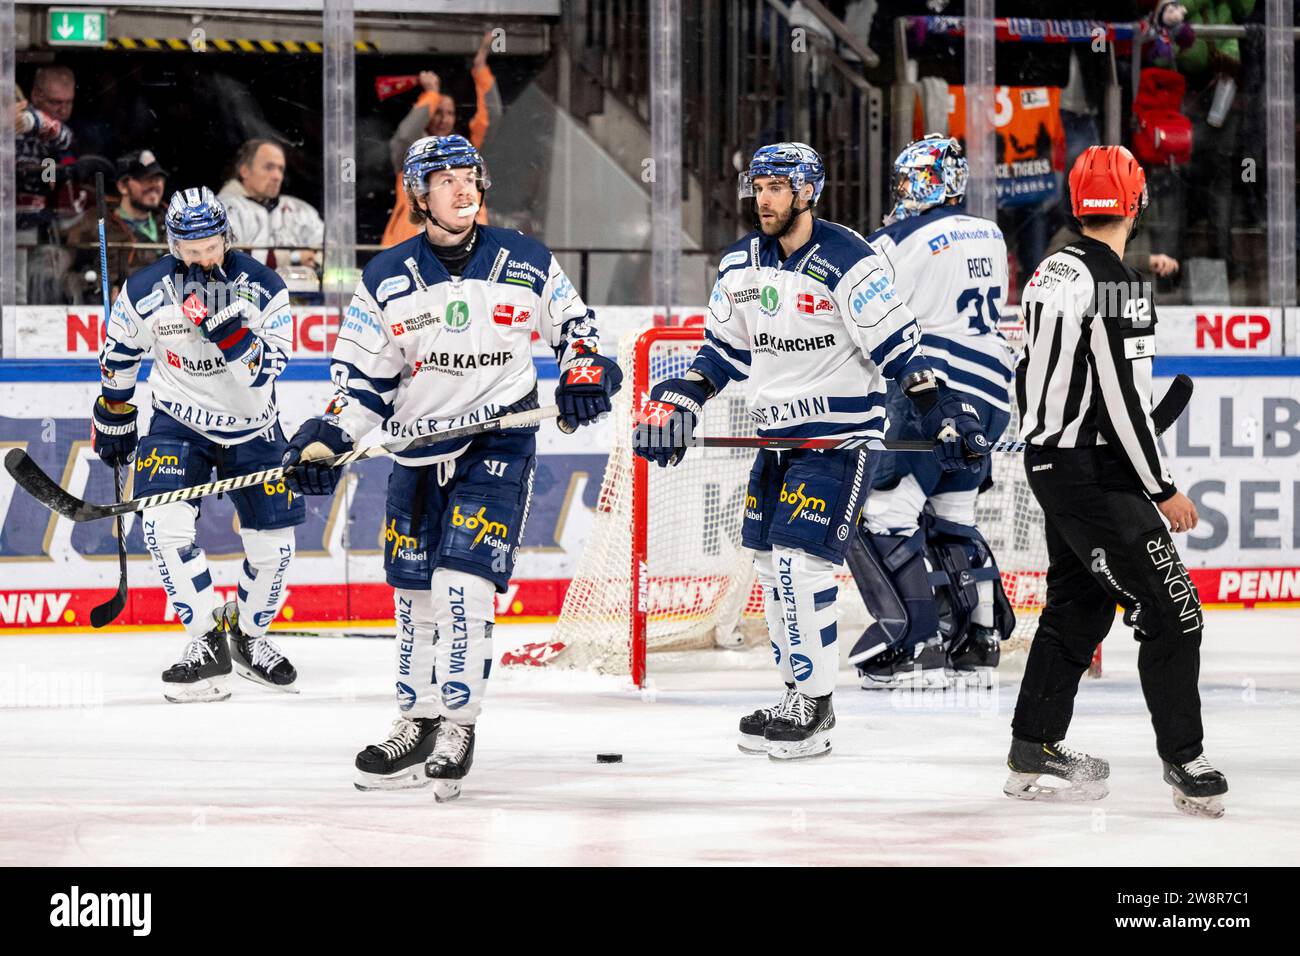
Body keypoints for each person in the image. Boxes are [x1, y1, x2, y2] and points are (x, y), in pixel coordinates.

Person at [282, 135, 621, 801]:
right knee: (414, 602)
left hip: (499, 444)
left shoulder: (525, 261)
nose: (464, 189)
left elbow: (580, 337)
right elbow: (359, 388)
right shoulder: (383, 278)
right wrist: (324, 441)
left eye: (471, 177)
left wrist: (584, 373)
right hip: (414, 452)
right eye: (446, 180)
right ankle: (416, 719)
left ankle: (458, 727)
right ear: (418, 195)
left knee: (462, 586)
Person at [633, 142, 989, 760]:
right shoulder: (739, 264)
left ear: (807, 193)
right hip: (776, 444)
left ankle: (818, 709)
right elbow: (721, 355)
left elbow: (900, 351)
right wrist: (682, 398)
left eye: (777, 187)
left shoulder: (851, 257)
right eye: (759, 187)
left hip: (837, 442)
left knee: (801, 567)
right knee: (772, 572)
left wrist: (943, 413)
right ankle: (798, 693)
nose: (763, 198)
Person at [1006, 145, 1227, 817]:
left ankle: (1034, 746)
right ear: (1135, 203)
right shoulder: (1118, 284)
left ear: (1077, 202)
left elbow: (1038, 379)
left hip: (1050, 463)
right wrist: (1162, 486)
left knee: (1080, 606)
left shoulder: (1049, 269)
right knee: (1173, 612)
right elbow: (1122, 403)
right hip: (1092, 472)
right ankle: (1184, 759)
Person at [93, 187, 305, 703]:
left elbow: (265, 372)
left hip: (254, 427)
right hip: (178, 423)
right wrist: (115, 412)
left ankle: (248, 636)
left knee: (275, 549)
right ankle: (206, 642)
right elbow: (120, 354)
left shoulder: (263, 286)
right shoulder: (145, 289)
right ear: (173, 245)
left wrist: (223, 325)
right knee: (163, 526)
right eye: (191, 250)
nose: (203, 258)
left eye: (211, 245)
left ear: (226, 237)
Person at [850, 134, 1018, 691]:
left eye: (906, 181)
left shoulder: (896, 239)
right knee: (954, 518)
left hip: (934, 392)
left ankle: (913, 640)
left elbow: (867, 314)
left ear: (926, 180)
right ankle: (979, 638)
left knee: (883, 513)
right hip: (993, 392)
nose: (901, 192)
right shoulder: (990, 232)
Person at [381, 29, 501, 248]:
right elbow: (404, 136)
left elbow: (491, 119)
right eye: (438, 111)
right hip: (411, 247)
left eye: (450, 113)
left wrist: (480, 69)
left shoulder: (464, 151)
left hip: (464, 246)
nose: (444, 119)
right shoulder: (411, 154)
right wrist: (432, 95)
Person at [64, 148, 169, 303]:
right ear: (122, 186)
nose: (155, 184)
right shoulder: (95, 222)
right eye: (145, 178)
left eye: (159, 178)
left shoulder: (174, 220)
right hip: (117, 315)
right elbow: (71, 275)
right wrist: (105, 290)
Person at [16, 68, 78, 304]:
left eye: (68, 103)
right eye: (55, 102)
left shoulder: (43, 127)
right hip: (9, 220)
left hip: (36, 224)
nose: (63, 110)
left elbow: (63, 137)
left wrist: (30, 121)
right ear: (36, 95)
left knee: (29, 290)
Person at [218, 139, 325, 272]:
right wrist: (293, 257)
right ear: (244, 170)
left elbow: (329, 246)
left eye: (280, 169)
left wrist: (317, 262)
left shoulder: (298, 209)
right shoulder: (222, 209)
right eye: (269, 167)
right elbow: (232, 261)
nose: (277, 176)